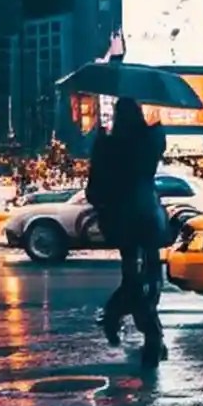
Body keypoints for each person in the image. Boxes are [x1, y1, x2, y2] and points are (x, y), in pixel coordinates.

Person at [86, 97, 170, 366]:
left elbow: (94, 189)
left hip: (122, 218)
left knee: (133, 277)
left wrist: (101, 141)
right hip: (149, 215)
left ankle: (121, 319)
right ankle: (151, 334)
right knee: (151, 278)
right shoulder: (151, 139)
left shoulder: (108, 146)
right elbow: (155, 144)